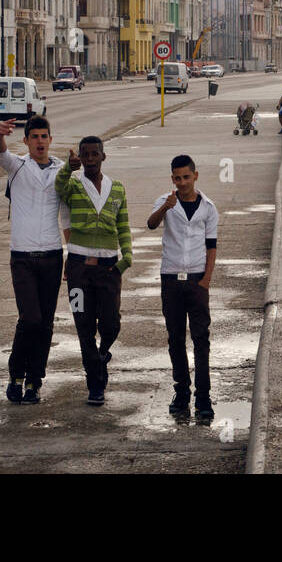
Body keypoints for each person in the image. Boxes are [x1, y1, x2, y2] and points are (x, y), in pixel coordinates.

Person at [0, 115, 69, 404]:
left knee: (46, 322)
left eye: (44, 136)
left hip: (51, 255)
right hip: (22, 256)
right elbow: (0, 152)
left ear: (51, 139)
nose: (39, 141)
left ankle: (34, 381)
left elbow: (65, 214)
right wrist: (0, 134)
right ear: (25, 141)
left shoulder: (62, 170)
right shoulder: (17, 166)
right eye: (34, 136)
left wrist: (70, 254)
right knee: (30, 318)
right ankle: (16, 375)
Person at [56, 137, 131, 406]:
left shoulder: (117, 189)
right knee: (82, 325)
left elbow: (123, 225)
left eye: (94, 154)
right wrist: (68, 167)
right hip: (77, 271)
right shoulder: (74, 185)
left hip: (109, 270)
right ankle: (95, 384)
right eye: (85, 155)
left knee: (111, 323)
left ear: (103, 156)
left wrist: (127, 258)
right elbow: (59, 185)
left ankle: (102, 353)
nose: (89, 159)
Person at [147, 155, 218, 421]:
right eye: (177, 178)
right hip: (171, 279)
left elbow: (212, 247)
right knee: (175, 339)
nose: (182, 182)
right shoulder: (167, 201)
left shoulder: (208, 207)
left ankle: (203, 397)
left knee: (201, 340)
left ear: (195, 176)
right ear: (172, 179)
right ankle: (182, 392)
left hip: (197, 280)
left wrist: (206, 281)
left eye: (186, 177)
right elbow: (151, 224)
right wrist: (166, 206)